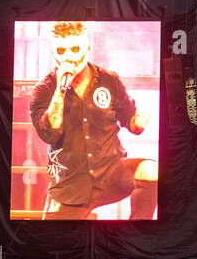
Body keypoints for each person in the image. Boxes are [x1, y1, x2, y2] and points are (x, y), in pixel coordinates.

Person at [29, 21, 157, 220]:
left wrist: (137, 121)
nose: (69, 56)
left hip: (111, 172)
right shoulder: (44, 90)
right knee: (54, 242)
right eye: (62, 50)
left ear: (87, 49)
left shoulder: (109, 80)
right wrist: (60, 90)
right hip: (70, 185)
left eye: (75, 48)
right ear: (53, 53)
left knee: (149, 170)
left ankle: (137, 235)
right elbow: (49, 133)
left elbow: (129, 118)